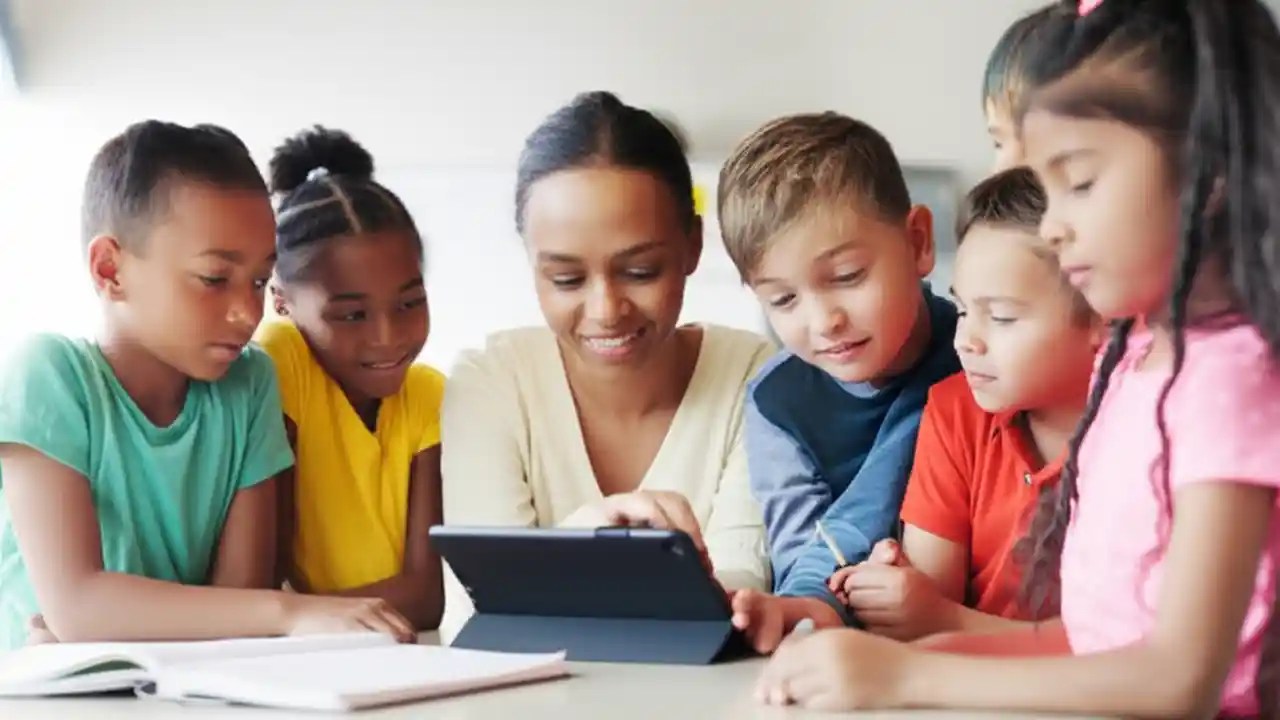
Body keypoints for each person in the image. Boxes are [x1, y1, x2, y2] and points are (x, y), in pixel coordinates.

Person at [755, 2, 1280, 716]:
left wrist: (909, 678)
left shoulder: (1228, 379)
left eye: (1079, 183)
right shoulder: (1132, 367)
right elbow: (1092, 643)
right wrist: (900, 660)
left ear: (1207, 173)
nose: (1053, 224)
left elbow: (1179, 679)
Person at [0, 120, 415, 650]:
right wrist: (289, 611)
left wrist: (113, 623)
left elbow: (236, 607)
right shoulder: (48, 376)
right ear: (110, 270)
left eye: (260, 281)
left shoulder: (249, 384)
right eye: (214, 279)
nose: (247, 312)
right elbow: (79, 607)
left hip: (176, 684)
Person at [439, 91, 772, 640]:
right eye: (566, 279)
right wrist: (588, 537)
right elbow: (477, 620)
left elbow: (738, 603)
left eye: (640, 271)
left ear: (692, 246)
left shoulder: (755, 377)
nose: (606, 310)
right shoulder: (492, 382)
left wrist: (560, 573)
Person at [716, 111, 960, 653]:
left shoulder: (976, 354)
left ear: (918, 242)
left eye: (848, 277)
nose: (824, 320)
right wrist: (811, 603)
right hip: (844, 637)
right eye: (783, 299)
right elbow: (801, 558)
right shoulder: (775, 401)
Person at [829, 167, 1098, 641]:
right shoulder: (955, 411)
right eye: (962, 310)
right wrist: (897, 594)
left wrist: (950, 621)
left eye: (1001, 317)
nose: (964, 340)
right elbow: (928, 606)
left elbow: (1129, 648)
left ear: (1105, 315)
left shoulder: (1147, 433)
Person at [256, 126, 445, 630]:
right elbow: (265, 580)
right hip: (296, 658)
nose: (388, 338)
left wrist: (303, 614)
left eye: (410, 303)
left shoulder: (428, 395)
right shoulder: (281, 362)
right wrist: (296, 615)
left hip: (389, 653)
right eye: (352, 315)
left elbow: (426, 596)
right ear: (281, 300)